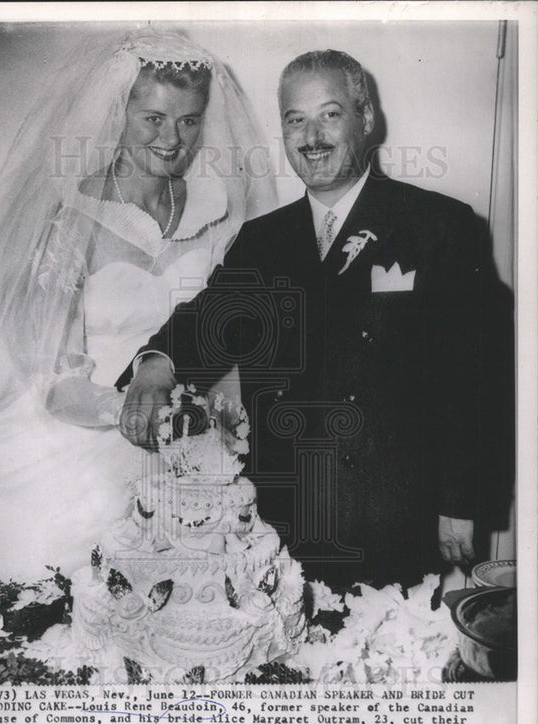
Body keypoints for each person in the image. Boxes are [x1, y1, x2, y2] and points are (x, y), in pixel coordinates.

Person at [118, 49, 485, 591]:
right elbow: (207, 320)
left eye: (329, 114)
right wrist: (155, 363)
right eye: (295, 120)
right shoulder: (264, 239)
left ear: (365, 119)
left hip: (392, 522)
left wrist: (461, 499)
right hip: (281, 527)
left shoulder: (439, 225)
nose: (311, 136)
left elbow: (472, 376)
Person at [0, 28, 276, 585]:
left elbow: (235, 329)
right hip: (92, 425)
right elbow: (55, 381)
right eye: (153, 119)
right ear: (119, 112)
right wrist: (138, 413)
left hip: (197, 424)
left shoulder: (217, 211)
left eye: (189, 120)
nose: (172, 139)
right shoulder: (72, 217)